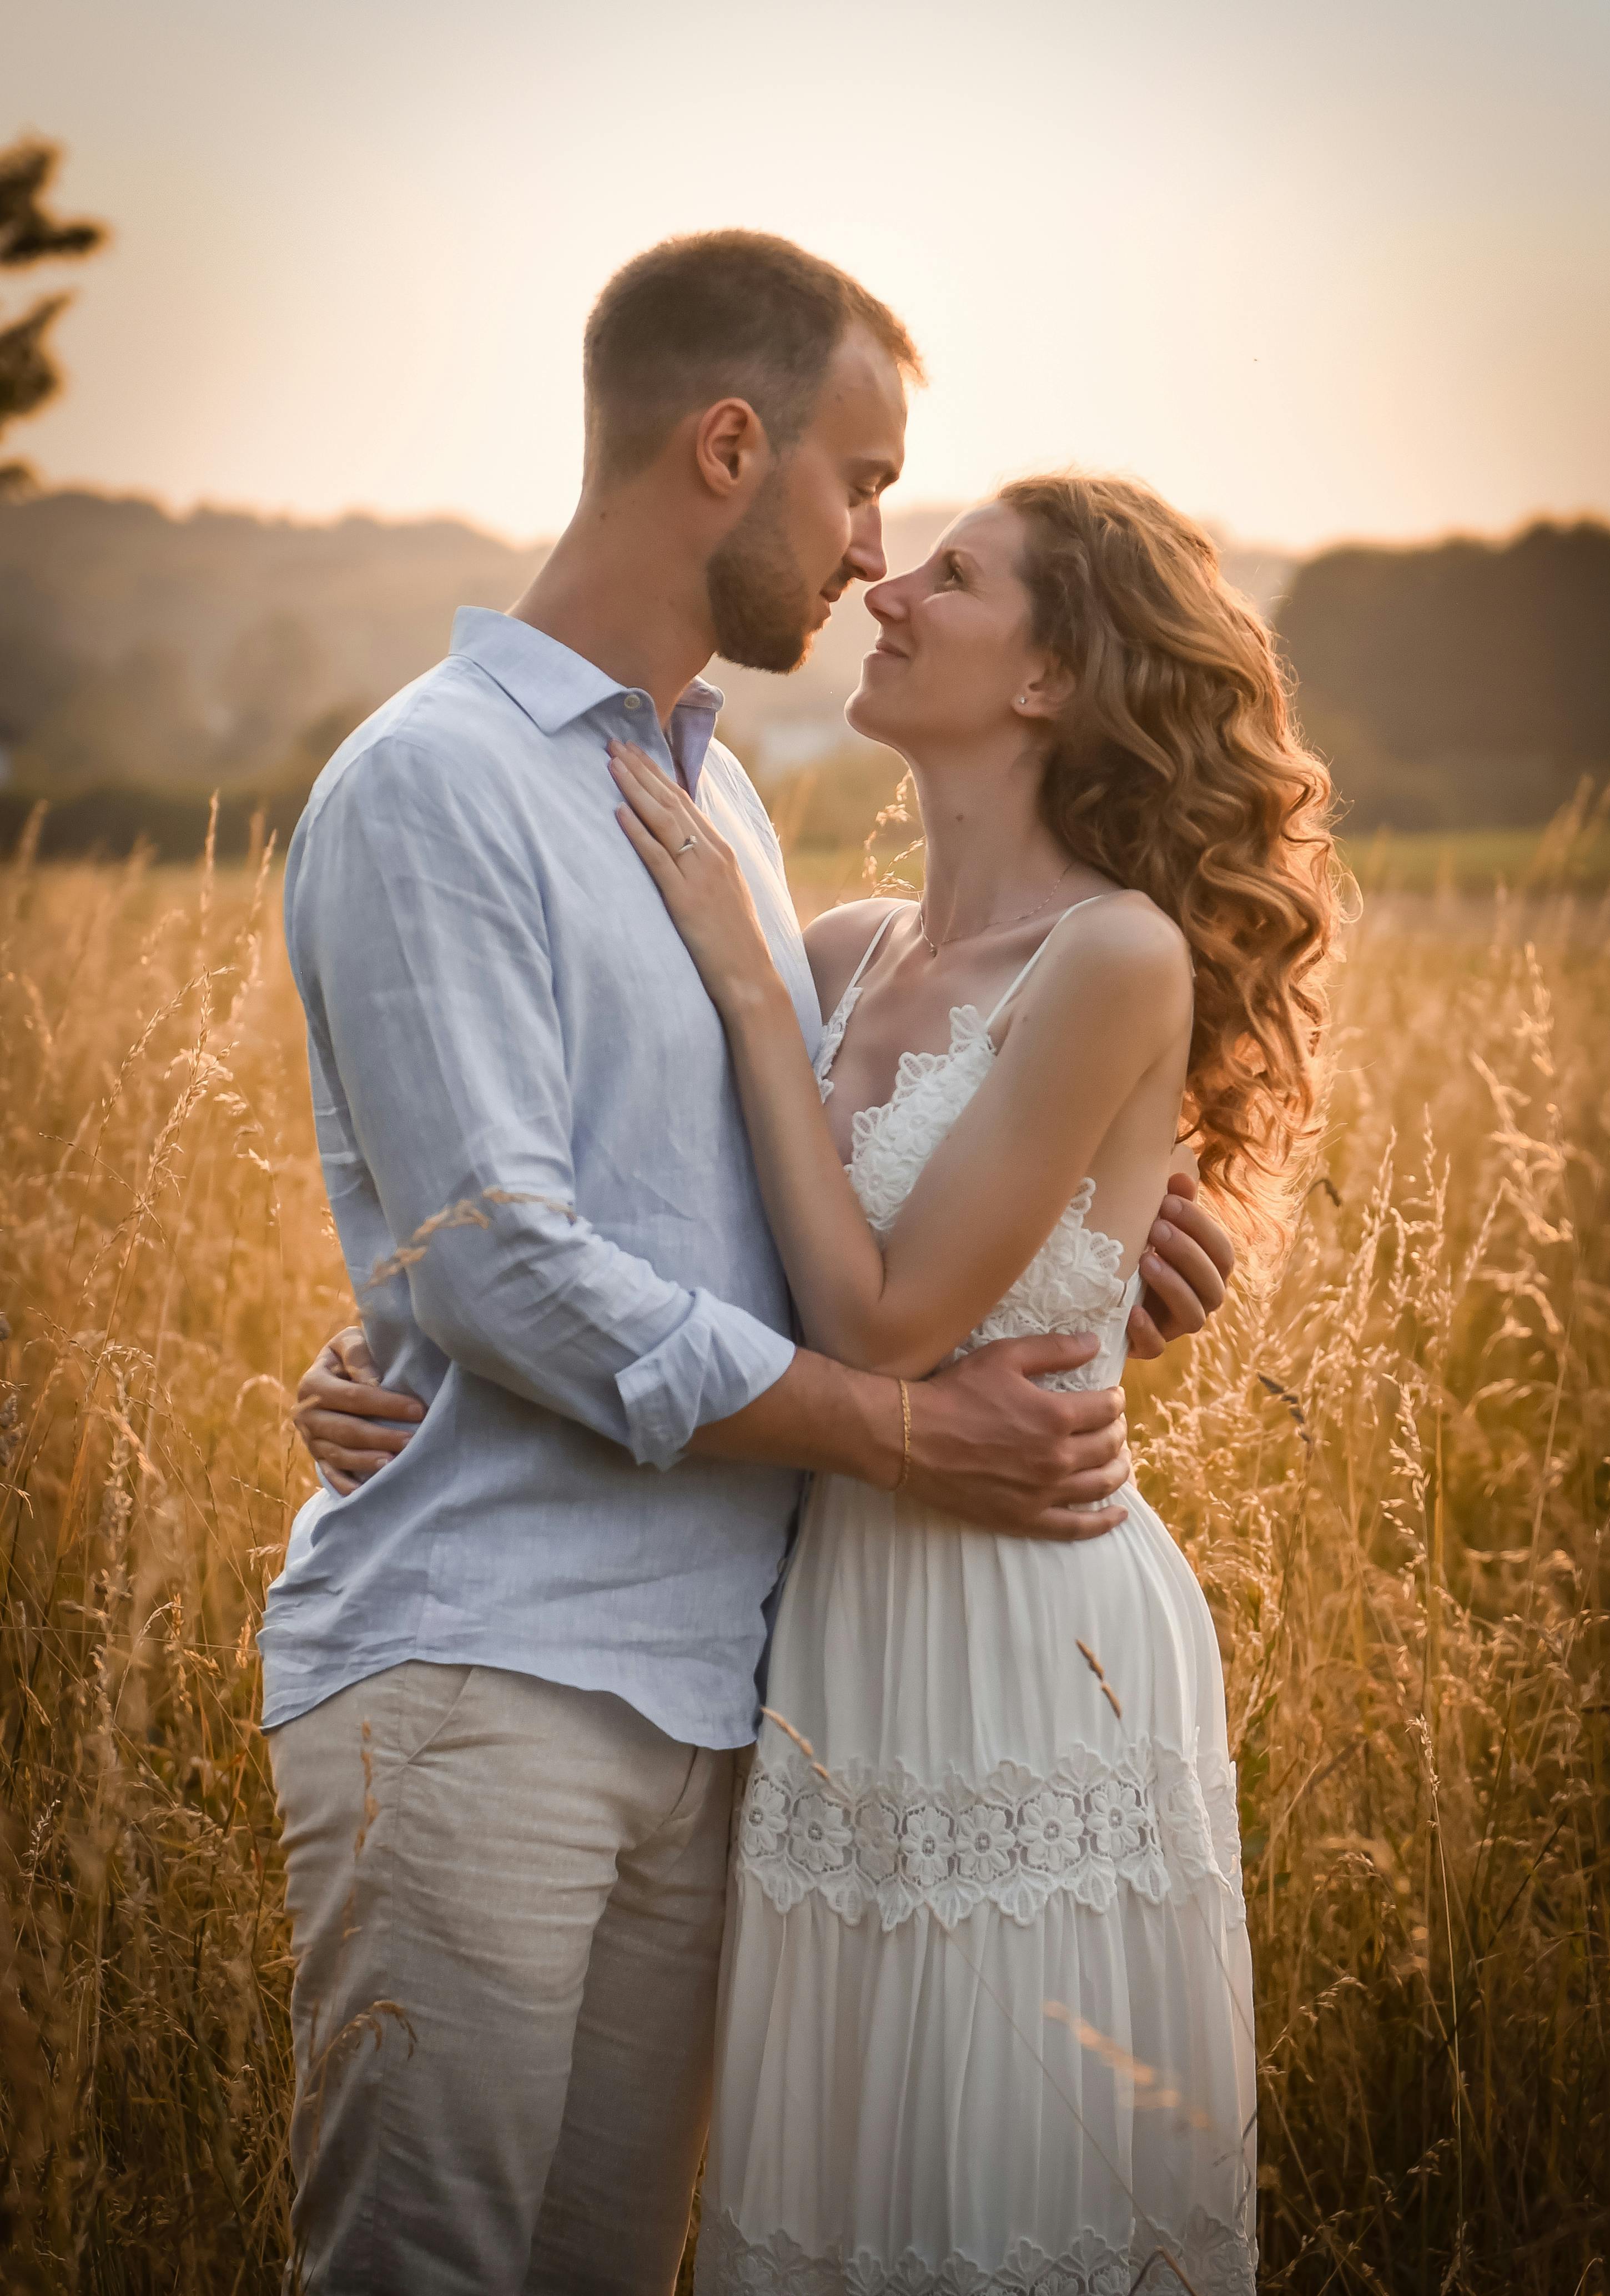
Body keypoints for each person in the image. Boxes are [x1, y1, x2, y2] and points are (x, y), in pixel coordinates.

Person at [268, 230, 1235, 2296]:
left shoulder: (730, 825)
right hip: (488, 1676)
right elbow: (500, 1260)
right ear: (731, 445)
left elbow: (692, 1194)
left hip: (742, 1701)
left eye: (915, 524)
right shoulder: (435, 782)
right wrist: (888, 1429)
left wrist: (1099, 1219)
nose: (878, 551)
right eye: (864, 483)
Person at [604, 474, 1339, 2292]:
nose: (887, 586)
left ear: (1052, 679)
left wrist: (746, 1001)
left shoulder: (1113, 955)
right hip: (836, 1639)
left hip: (1026, 1627)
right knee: (855, 2187)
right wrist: (386, 1348)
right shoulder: (847, 957)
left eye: (953, 573)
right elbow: (642, 1223)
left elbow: (878, 1324)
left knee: (1016, 2191)